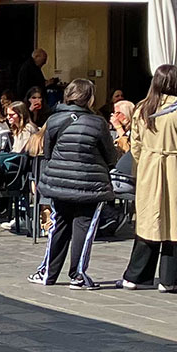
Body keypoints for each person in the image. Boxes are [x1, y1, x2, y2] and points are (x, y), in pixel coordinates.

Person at [121, 64, 177, 293]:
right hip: (176, 168)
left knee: (150, 222)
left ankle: (135, 276)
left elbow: (135, 145)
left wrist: (146, 162)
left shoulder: (142, 108)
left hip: (149, 169)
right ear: (176, 83)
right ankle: (170, 280)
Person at [34, 79, 119, 287]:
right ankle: (78, 274)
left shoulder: (53, 120)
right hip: (90, 184)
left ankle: (48, 273)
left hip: (59, 182)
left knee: (58, 225)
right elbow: (111, 157)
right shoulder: (98, 123)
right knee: (83, 227)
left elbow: (48, 152)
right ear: (90, 97)